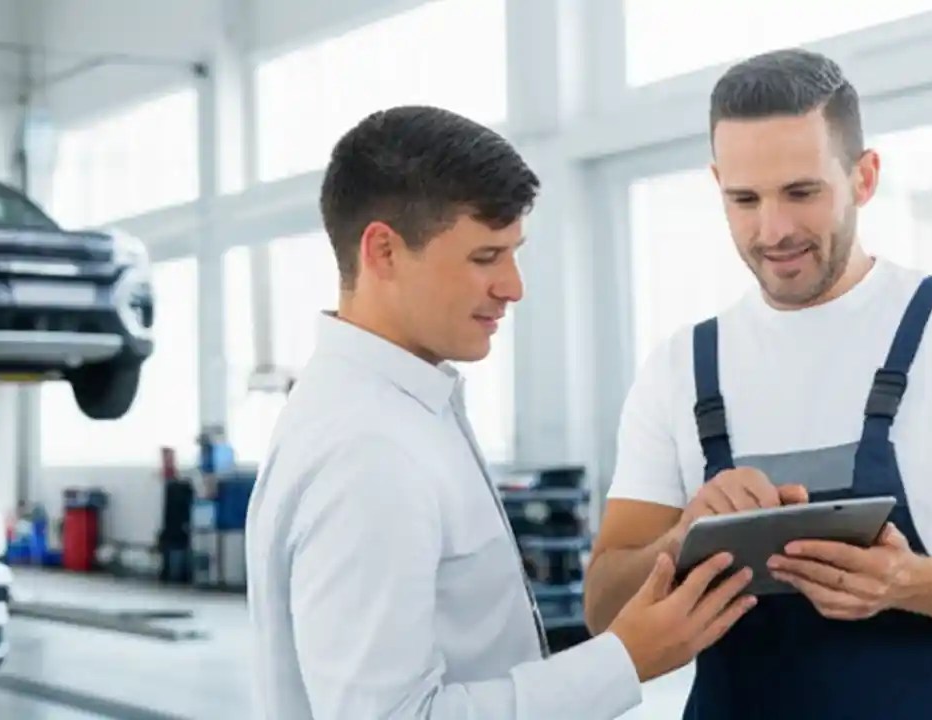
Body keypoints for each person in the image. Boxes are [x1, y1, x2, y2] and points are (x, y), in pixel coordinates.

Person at [245, 105, 758, 720]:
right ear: (382, 251)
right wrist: (626, 658)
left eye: (514, 253)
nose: (513, 286)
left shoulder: (402, 409)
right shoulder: (366, 451)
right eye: (486, 257)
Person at [584, 47, 932, 719]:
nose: (773, 230)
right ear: (717, 184)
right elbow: (603, 610)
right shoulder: (679, 368)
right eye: (743, 199)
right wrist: (680, 537)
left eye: (801, 192)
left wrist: (911, 583)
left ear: (864, 177)